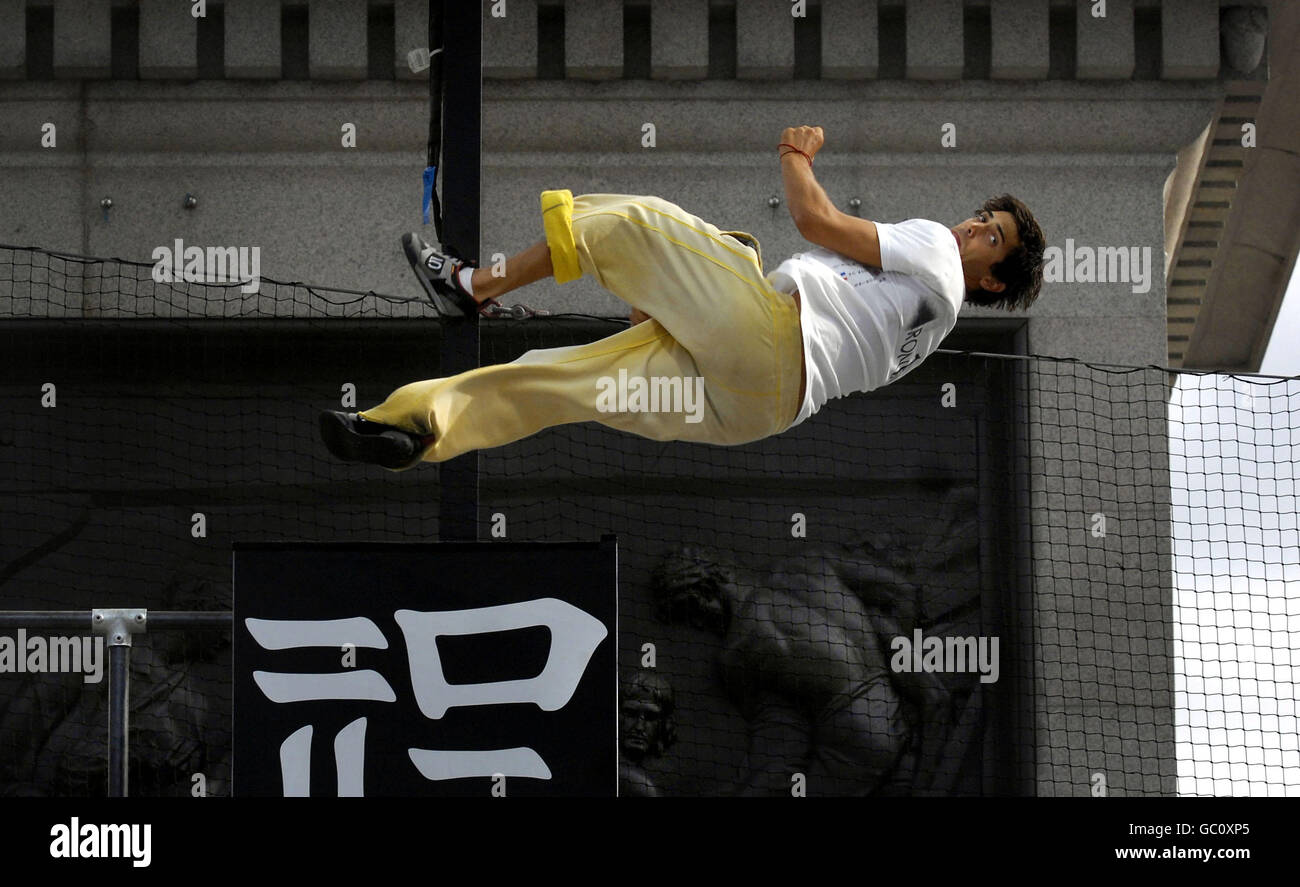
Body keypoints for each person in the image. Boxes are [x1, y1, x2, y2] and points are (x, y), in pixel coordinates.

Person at [319, 126, 1046, 470]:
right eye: (986, 216)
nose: (978, 225)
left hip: (764, 339)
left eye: (995, 237)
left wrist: (796, 153)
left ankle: (470, 285)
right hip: (752, 411)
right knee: (556, 382)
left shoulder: (938, 255)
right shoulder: (928, 329)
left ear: (989, 279)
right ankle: (411, 429)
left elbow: (815, 220)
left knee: (633, 223)